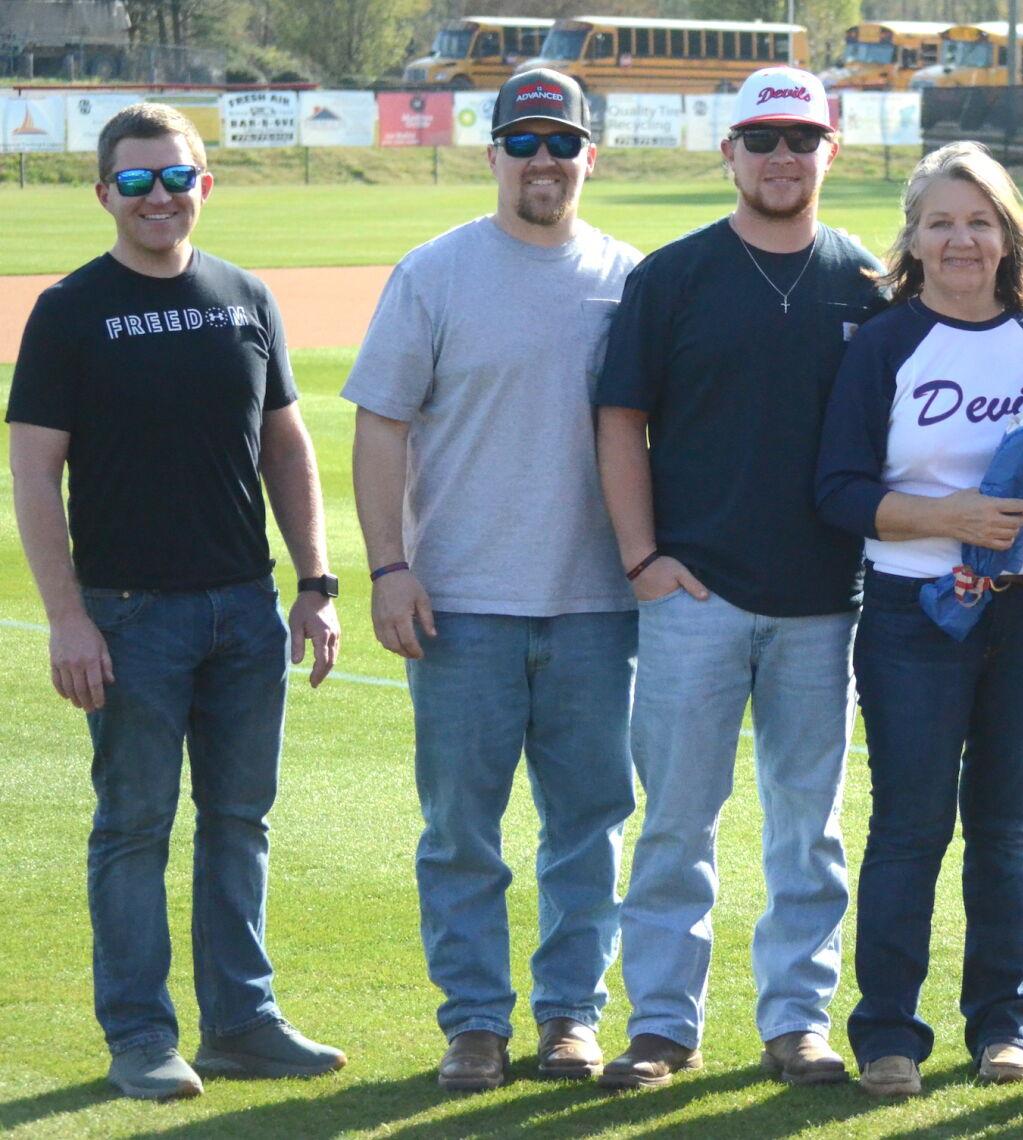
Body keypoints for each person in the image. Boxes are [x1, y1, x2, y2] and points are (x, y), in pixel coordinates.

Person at [6, 102, 345, 1101]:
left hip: (243, 607)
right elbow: (34, 474)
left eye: (178, 177)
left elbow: (286, 445)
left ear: (207, 183)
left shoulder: (245, 297)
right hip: (129, 614)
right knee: (135, 826)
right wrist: (67, 615)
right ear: (105, 191)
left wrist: (316, 583)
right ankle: (142, 1037)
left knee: (240, 821)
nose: (160, 198)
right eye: (139, 181)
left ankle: (242, 1021)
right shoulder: (70, 309)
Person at [342, 70, 642, 1092]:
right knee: (462, 833)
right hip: (460, 602)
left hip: (599, 606)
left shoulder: (628, 278)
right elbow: (380, 423)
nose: (544, 161)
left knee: (588, 828)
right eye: (524, 142)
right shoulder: (435, 273)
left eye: (563, 143)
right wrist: (389, 566)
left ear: (588, 157)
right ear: (493, 155)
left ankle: (569, 1018)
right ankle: (473, 1024)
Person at [592, 66, 888, 1090]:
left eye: (801, 140)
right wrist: (643, 559)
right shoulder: (672, 276)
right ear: (729, 151)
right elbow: (619, 419)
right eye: (762, 139)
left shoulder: (867, 281)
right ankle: (662, 1026)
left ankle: (797, 1022)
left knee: (811, 832)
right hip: (696, 596)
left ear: (828, 153)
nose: (781, 158)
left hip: (824, 604)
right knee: (677, 821)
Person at [815, 142, 1023, 1096]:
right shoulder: (885, 342)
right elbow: (840, 489)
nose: (961, 239)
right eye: (940, 221)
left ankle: (1003, 1025)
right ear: (915, 239)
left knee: (1007, 825)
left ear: (1008, 233)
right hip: (913, 610)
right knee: (909, 825)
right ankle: (889, 1033)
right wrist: (950, 520)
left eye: (979, 220)